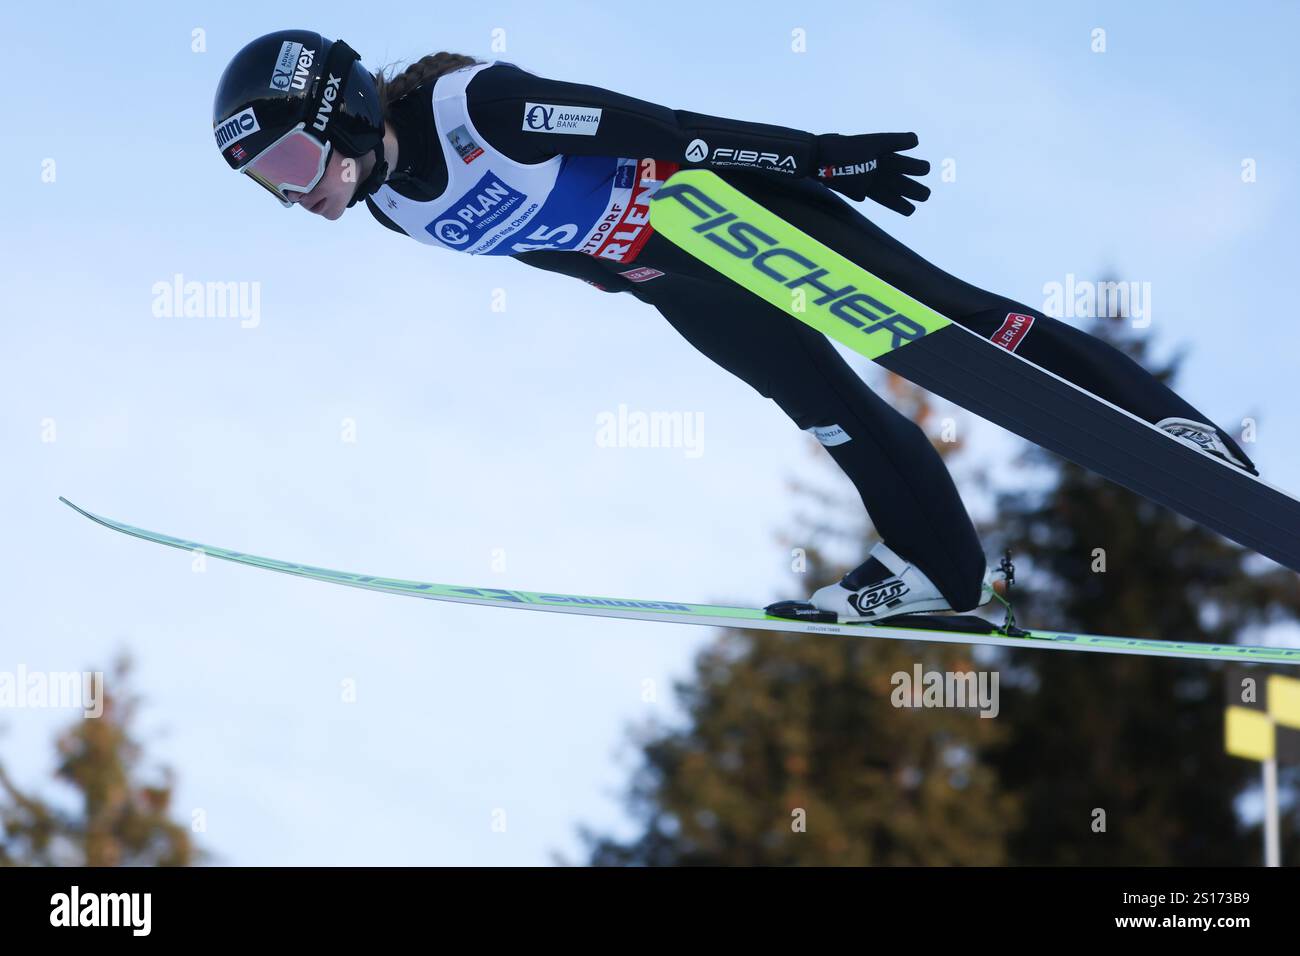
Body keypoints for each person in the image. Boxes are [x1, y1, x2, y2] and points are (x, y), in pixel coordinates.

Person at [212, 29, 1257, 623]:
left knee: (950, 321)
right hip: (675, 274)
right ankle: (941, 564)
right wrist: (631, 279)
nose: (297, 196)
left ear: (342, 112)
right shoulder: (394, 211)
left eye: (295, 166)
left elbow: (666, 130)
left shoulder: (479, 112)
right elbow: (535, 243)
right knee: (828, 406)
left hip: (737, 212)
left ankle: (1170, 427)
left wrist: (817, 156)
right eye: (272, 186)